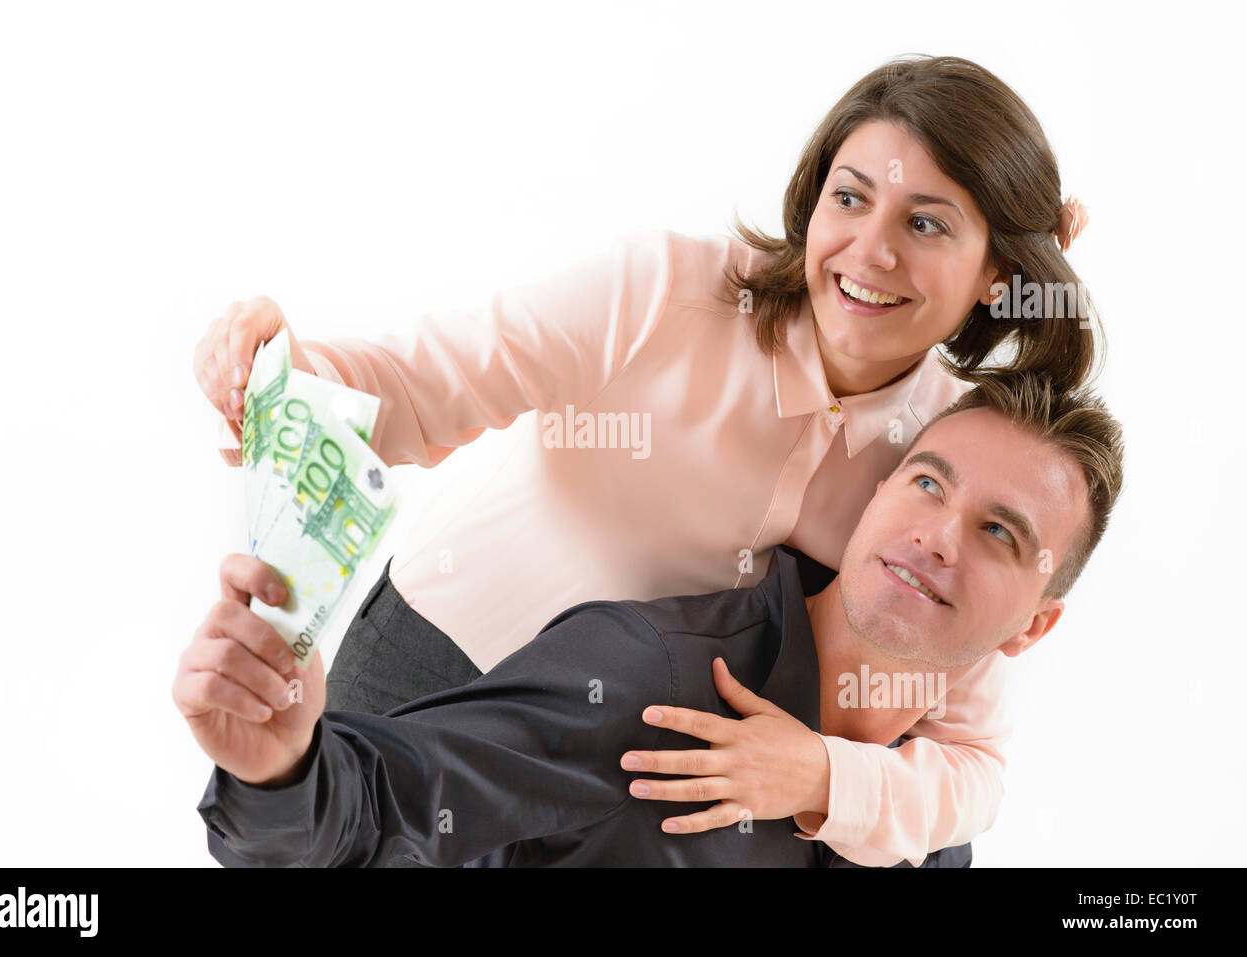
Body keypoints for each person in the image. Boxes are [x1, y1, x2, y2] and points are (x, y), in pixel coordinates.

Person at [191, 54, 1100, 865]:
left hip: (655, 753)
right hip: (441, 662)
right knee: (325, 829)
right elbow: (421, 384)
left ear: (997, 271)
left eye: (930, 225)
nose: (871, 250)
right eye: (850, 197)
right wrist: (281, 371)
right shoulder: (665, 291)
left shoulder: (945, 463)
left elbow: (968, 757)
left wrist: (827, 775)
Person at [177, 371, 1125, 867]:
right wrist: (279, 770)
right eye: (926, 483)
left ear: (1031, 630)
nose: (936, 537)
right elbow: (392, 803)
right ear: (871, 503)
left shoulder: (931, 827)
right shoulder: (649, 679)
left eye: (1000, 532)